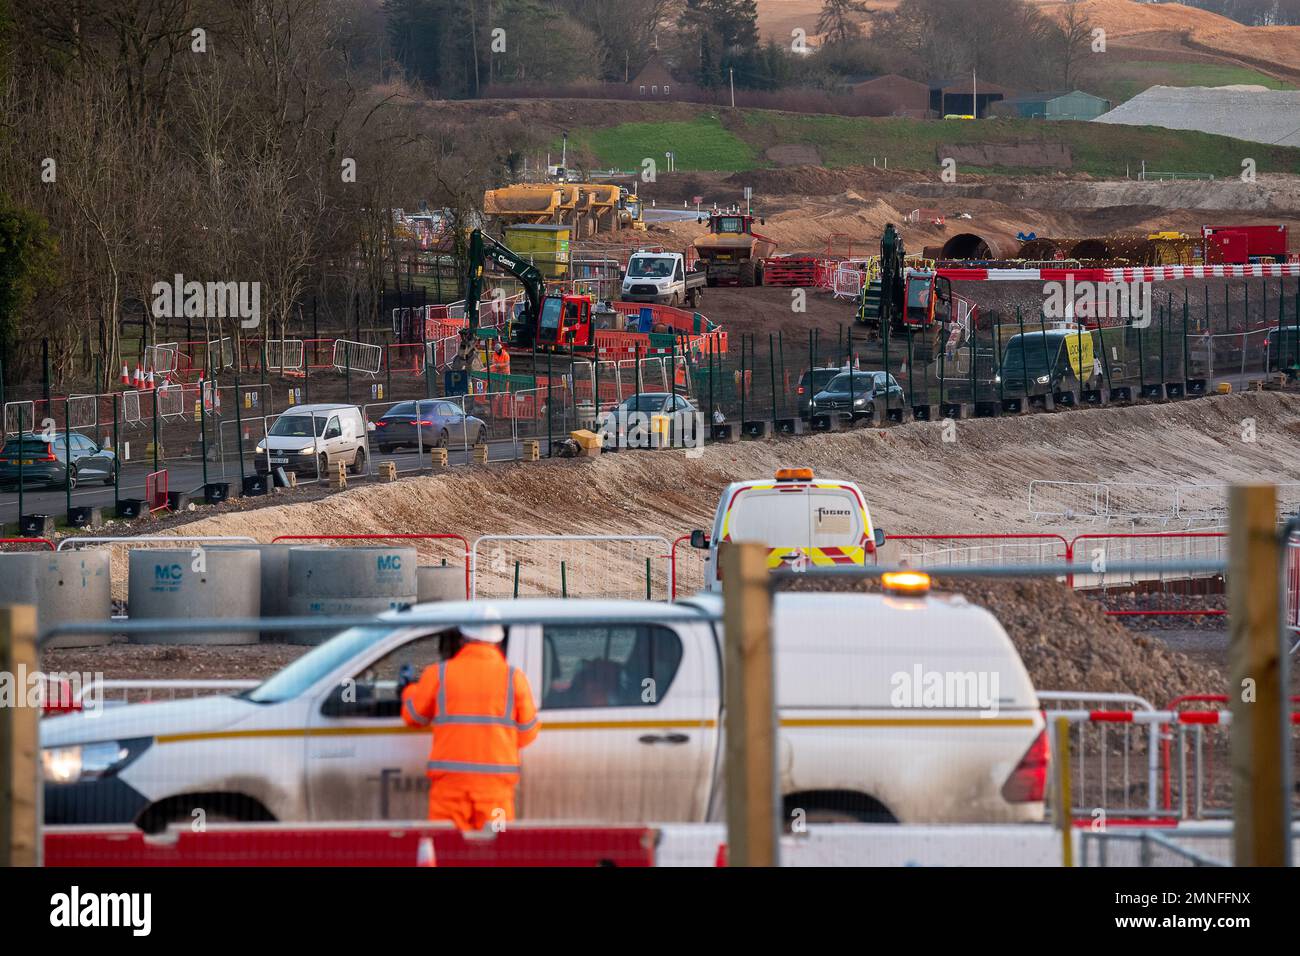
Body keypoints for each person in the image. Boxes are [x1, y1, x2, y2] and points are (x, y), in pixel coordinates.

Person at [399, 608, 540, 830]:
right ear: (498, 640)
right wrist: (500, 740)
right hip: (496, 792)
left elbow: (413, 716)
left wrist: (408, 690)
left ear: (462, 638)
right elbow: (528, 733)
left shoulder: (440, 674)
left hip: (450, 791)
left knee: (447, 853)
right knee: (496, 852)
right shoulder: (515, 679)